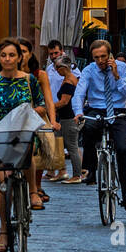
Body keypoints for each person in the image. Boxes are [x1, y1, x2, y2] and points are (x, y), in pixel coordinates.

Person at [0, 39, 51, 252]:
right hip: (1, 135)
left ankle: (33, 191)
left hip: (24, 132)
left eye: (11, 55)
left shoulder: (28, 80)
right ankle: (4, 230)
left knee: (26, 150)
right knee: (4, 183)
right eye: (3, 55)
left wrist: (32, 114)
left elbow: (41, 105)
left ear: (19, 57)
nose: (7, 59)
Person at [72, 40, 126, 210]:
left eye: (103, 56)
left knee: (123, 149)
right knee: (88, 128)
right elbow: (79, 93)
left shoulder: (122, 68)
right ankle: (91, 169)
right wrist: (78, 111)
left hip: (117, 110)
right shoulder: (88, 70)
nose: (100, 60)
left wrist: (117, 76)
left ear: (110, 55)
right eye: (96, 57)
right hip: (97, 109)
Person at [17, 39, 58, 188]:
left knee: (44, 143)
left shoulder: (39, 75)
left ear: (30, 53)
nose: (20, 55)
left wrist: (53, 121)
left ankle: (37, 186)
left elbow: (48, 100)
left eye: (23, 51)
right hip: (14, 118)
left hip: (37, 116)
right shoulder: (7, 74)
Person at [52, 54, 83, 182]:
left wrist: (50, 106)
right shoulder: (68, 78)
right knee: (58, 144)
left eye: (57, 68)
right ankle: (61, 171)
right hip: (64, 118)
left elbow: (64, 101)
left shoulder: (69, 80)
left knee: (72, 147)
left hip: (69, 118)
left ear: (63, 68)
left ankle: (77, 175)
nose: (56, 71)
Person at [44, 40, 80, 105]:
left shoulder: (71, 68)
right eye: (51, 54)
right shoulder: (49, 68)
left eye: (56, 53)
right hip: (52, 106)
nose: (54, 56)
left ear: (61, 51)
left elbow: (79, 87)